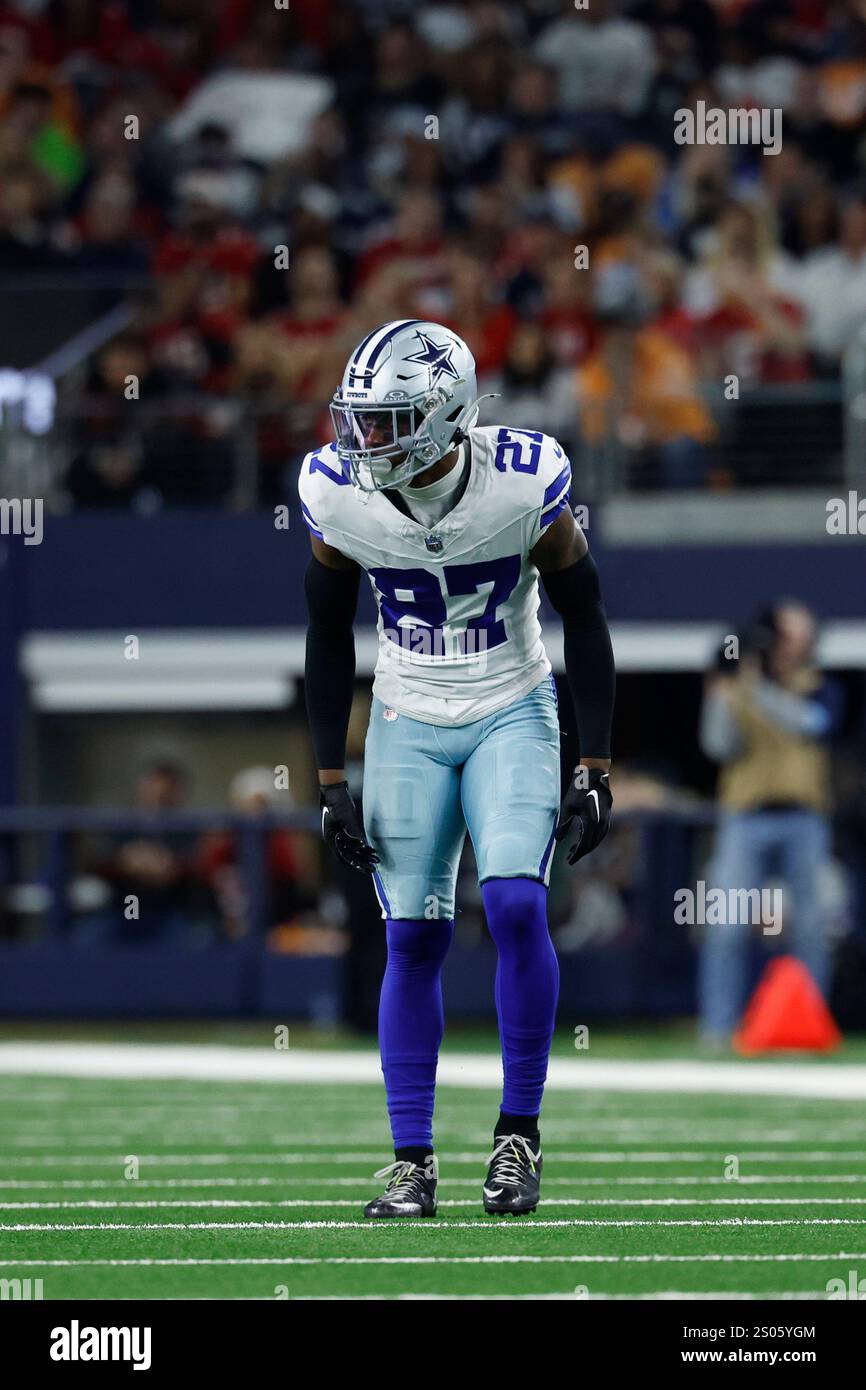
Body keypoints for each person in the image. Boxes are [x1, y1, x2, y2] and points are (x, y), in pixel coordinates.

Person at [299, 319, 615, 1217]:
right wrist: (329, 778)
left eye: (389, 420)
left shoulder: (519, 480)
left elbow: (585, 613)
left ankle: (518, 1138)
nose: (366, 441)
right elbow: (324, 626)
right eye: (360, 419)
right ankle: (413, 1162)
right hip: (406, 712)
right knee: (412, 938)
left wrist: (594, 762)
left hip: (511, 701)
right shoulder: (339, 493)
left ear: (443, 417)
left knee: (516, 903)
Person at [698, 602, 845, 1046]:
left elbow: (812, 725)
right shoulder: (738, 690)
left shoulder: (821, 687)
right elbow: (718, 747)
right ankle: (719, 1029)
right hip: (746, 818)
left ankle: (808, 1026)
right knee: (727, 927)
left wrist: (756, 690)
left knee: (813, 926)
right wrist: (723, 695)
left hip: (805, 818)